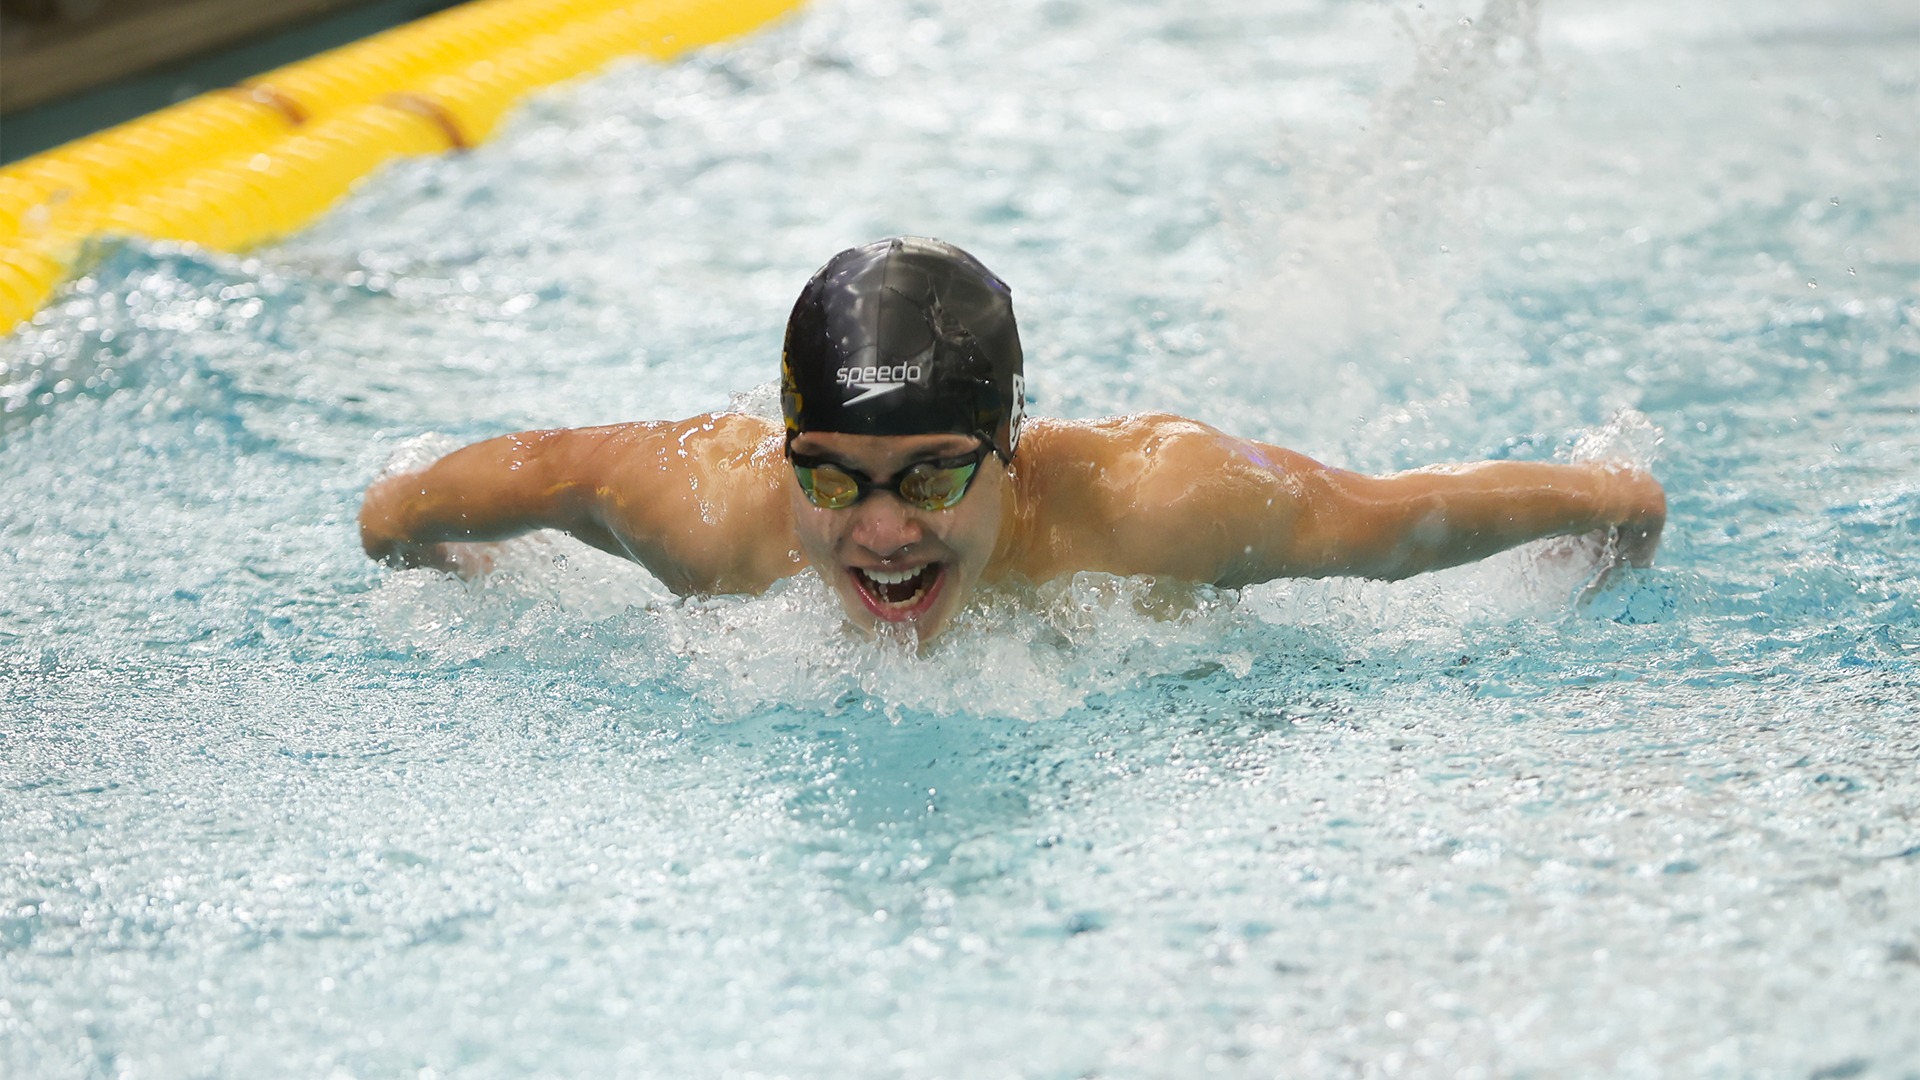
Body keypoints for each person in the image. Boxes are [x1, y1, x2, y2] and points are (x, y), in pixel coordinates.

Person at [359, 236, 1666, 641]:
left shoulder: (1165, 504)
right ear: (785, 450)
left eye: (929, 476)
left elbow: (1392, 520)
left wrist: (1614, 498)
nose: (878, 533)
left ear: (1012, 453)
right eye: (835, 478)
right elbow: (449, 499)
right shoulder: (710, 516)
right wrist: (440, 560)